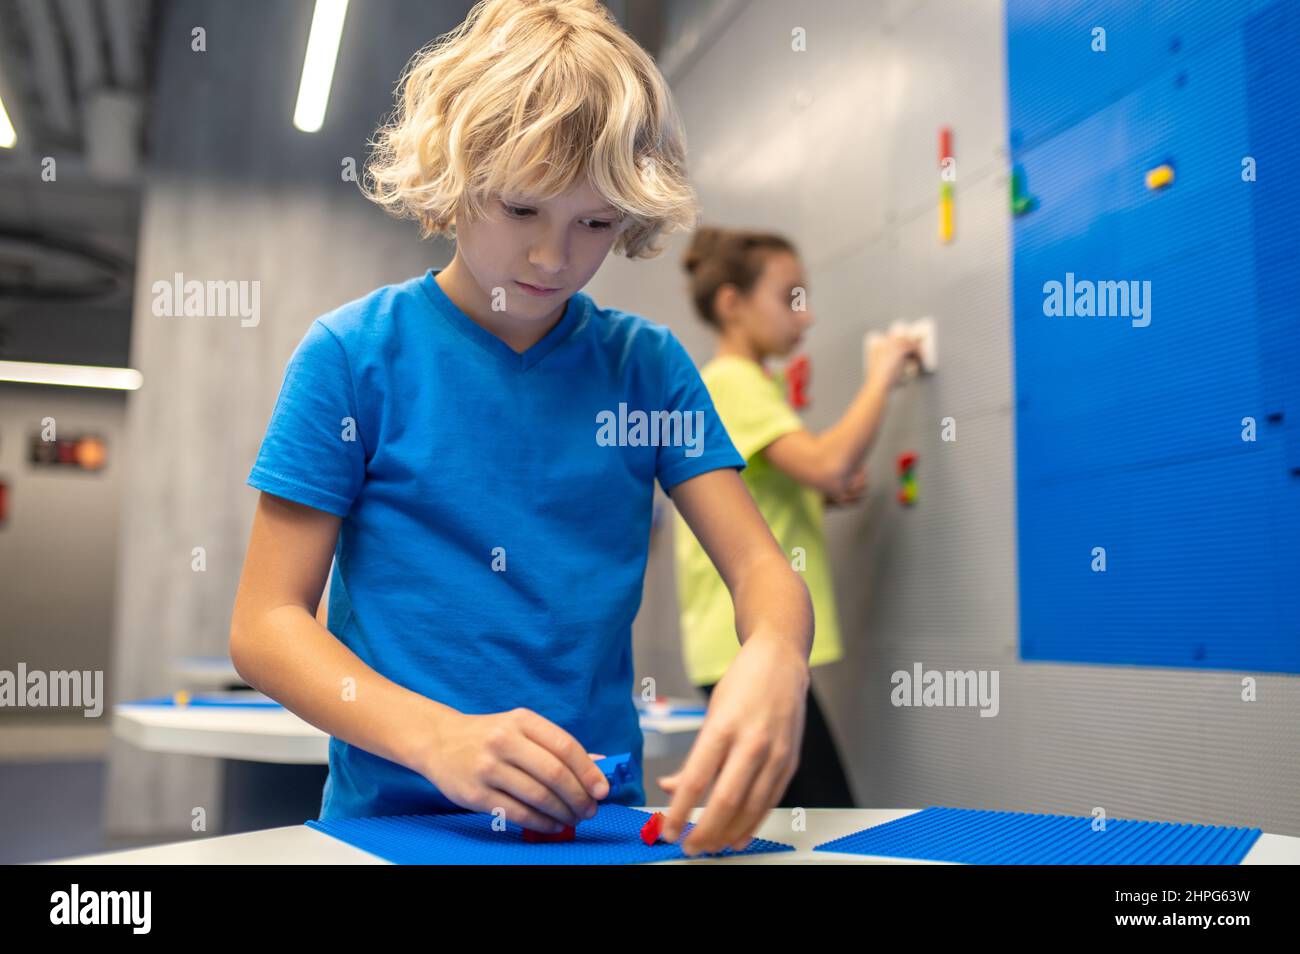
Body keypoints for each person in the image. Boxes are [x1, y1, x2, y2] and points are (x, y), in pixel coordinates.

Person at [229, 0, 812, 856]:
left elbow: (762, 568)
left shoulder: (645, 369)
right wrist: (438, 738)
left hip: (599, 823)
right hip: (397, 824)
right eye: (521, 209)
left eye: (596, 223)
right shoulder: (354, 357)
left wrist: (776, 656)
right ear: (457, 175)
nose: (553, 258)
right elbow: (266, 624)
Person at [673, 226, 920, 807]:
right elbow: (829, 463)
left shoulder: (748, 384)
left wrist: (815, 494)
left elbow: (766, 486)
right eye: (791, 298)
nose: (805, 318)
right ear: (732, 304)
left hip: (741, 643)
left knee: (790, 816)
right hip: (750, 642)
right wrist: (883, 375)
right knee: (825, 816)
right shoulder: (732, 383)